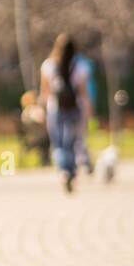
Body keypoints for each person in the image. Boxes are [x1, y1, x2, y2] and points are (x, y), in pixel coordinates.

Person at [39, 34, 92, 192]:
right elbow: (83, 93)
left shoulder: (48, 66)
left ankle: (63, 170)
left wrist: (40, 109)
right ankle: (72, 171)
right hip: (74, 109)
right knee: (72, 142)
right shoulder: (81, 66)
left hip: (55, 109)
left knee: (59, 144)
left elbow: (45, 92)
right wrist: (88, 110)